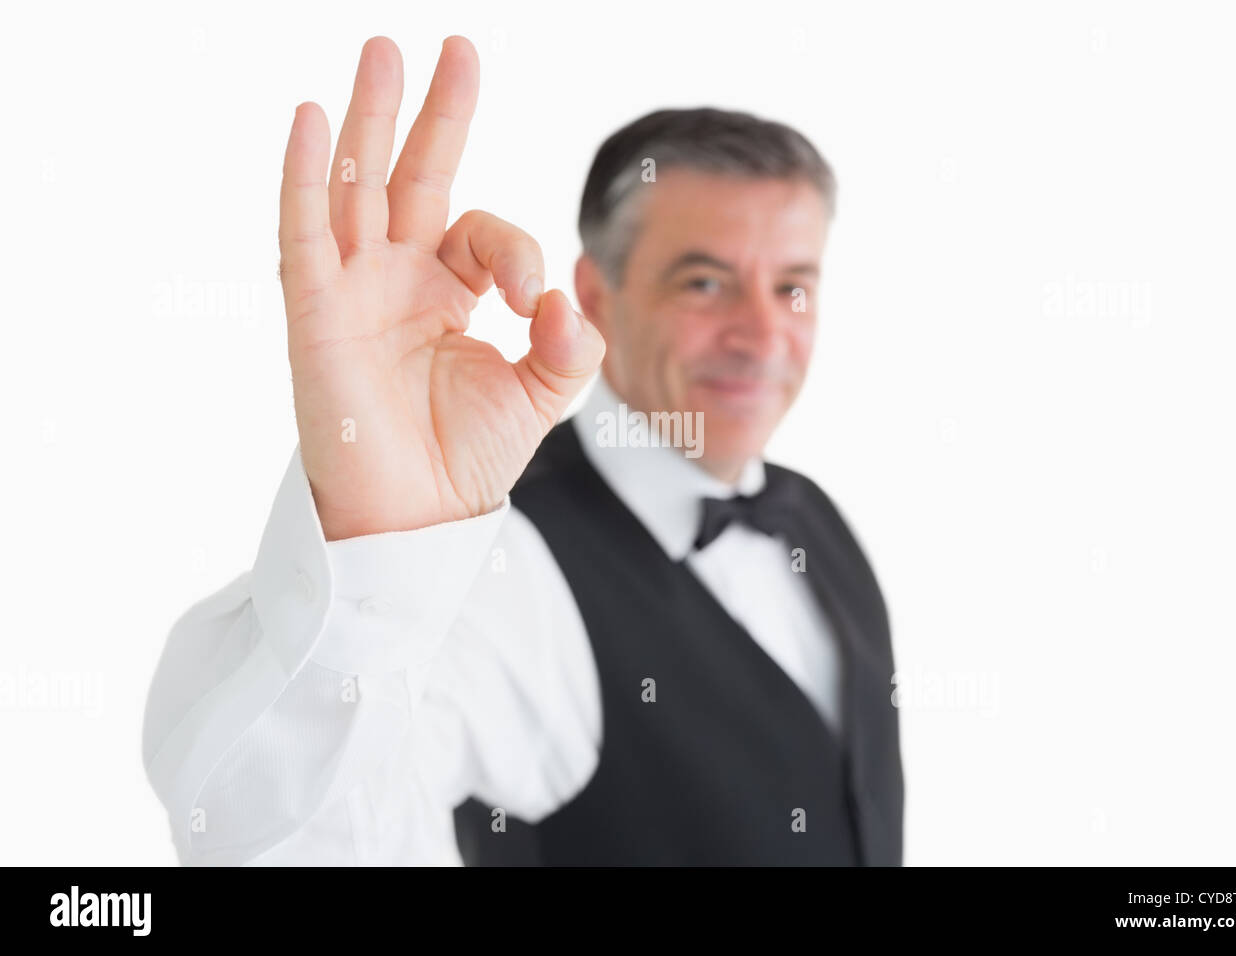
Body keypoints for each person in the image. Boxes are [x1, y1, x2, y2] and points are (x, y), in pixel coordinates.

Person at [142, 34, 904, 866]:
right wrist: (378, 547)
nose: (763, 335)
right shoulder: (504, 568)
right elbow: (280, 837)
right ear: (594, 294)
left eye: (792, 286)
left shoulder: (816, 518)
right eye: (704, 282)